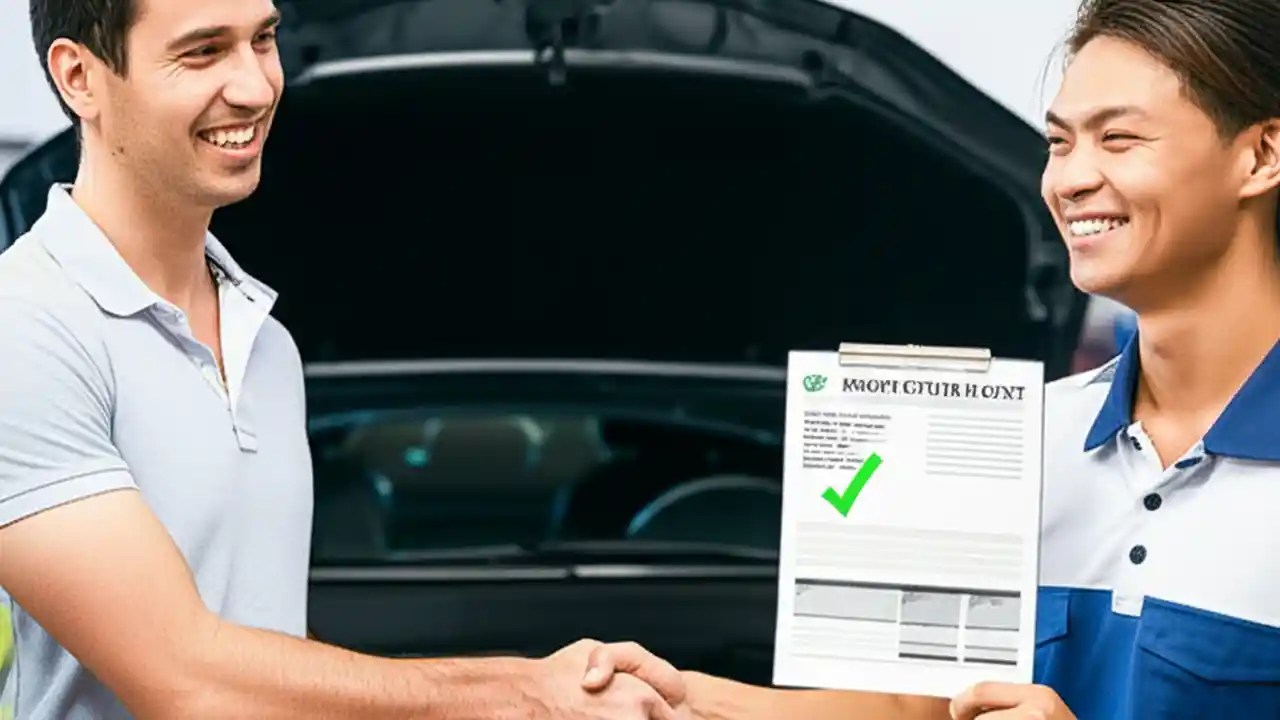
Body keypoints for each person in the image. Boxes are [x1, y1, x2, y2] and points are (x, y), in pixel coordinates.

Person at [591, 0, 1280, 717]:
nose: (1070, 179)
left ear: (1260, 156)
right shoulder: (1017, 440)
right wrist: (683, 700)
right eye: (1059, 142)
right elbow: (908, 706)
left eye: (1119, 138)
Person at [0, 0, 685, 717]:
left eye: (263, 40)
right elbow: (186, 676)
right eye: (204, 52)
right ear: (79, 76)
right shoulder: (29, 328)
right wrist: (525, 693)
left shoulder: (268, 344)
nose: (257, 87)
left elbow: (270, 652)